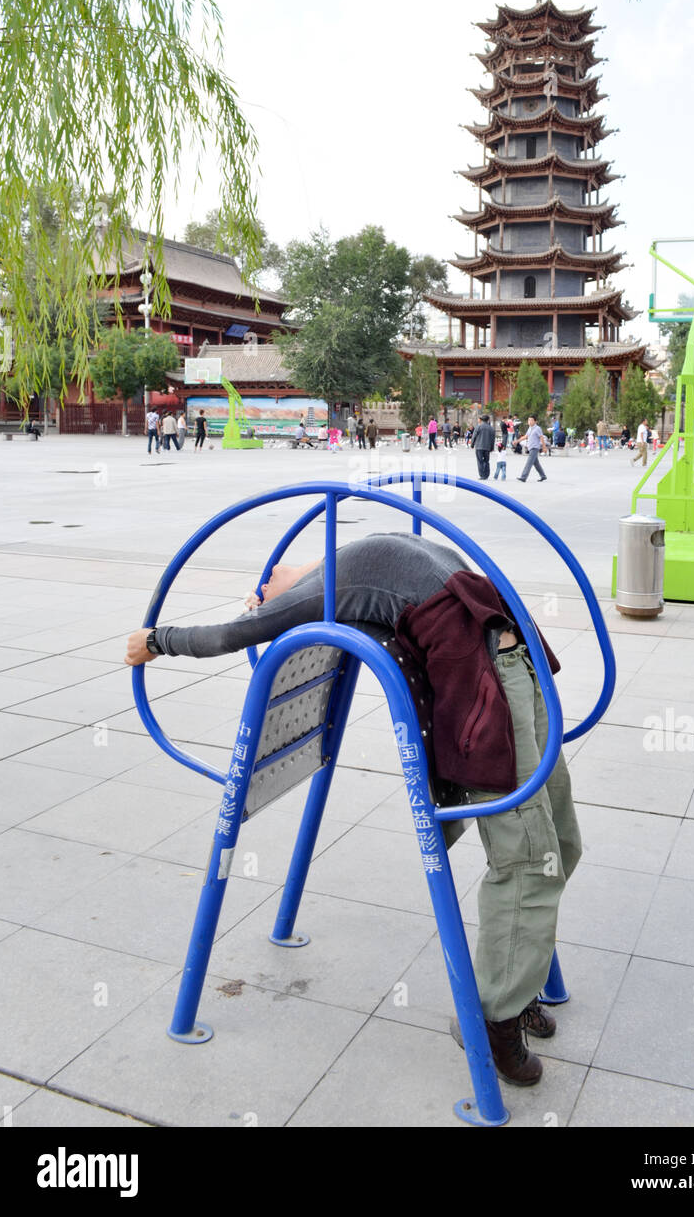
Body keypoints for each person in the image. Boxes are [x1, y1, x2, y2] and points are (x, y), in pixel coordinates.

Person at [125, 531, 578, 1087]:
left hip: (509, 669)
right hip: (498, 671)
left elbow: (236, 630)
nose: (265, 587)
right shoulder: (344, 567)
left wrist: (155, 639)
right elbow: (248, 624)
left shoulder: (338, 563)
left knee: (560, 842)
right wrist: (169, 637)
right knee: (530, 857)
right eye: (265, 589)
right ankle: (496, 1016)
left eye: (268, 584)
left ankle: (515, 982)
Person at [517, 416, 547, 483]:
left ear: (535, 421)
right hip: (530, 448)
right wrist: (517, 441)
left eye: (531, 420)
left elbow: (541, 437)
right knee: (536, 464)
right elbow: (526, 436)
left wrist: (544, 447)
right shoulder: (530, 428)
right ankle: (543, 476)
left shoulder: (537, 428)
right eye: (528, 420)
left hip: (535, 448)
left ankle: (523, 477)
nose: (529, 422)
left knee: (529, 463)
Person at [470, 414, 496, 480]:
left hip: (479, 446)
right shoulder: (491, 428)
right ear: (488, 420)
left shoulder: (478, 427)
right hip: (487, 447)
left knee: (480, 461)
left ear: (481, 420)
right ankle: (486, 475)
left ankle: (482, 475)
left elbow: (474, 436)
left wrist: (472, 444)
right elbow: (493, 439)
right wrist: (492, 447)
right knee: (486, 461)